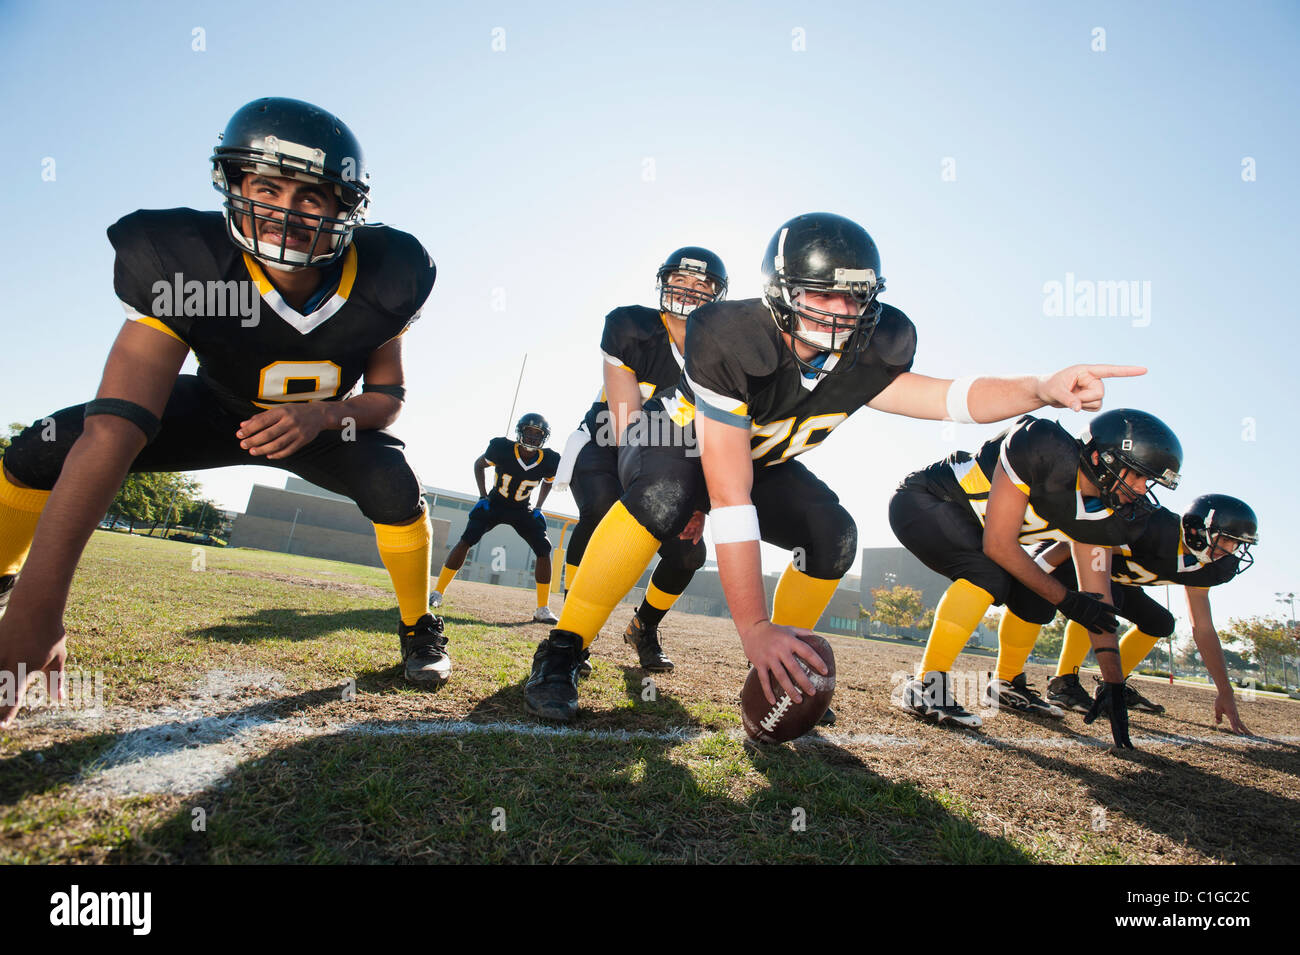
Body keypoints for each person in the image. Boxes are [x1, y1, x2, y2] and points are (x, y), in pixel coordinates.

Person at [523, 211, 1145, 726]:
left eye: (854, 295)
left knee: (833, 535)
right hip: (679, 438)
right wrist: (753, 626)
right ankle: (564, 648)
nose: (839, 312)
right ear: (780, 292)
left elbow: (952, 398)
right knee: (665, 493)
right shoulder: (731, 335)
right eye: (821, 293)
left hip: (762, 459)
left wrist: (1041, 386)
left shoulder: (872, 347)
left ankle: (780, 667)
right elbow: (730, 491)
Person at [0, 97, 445, 728]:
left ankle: (418, 624)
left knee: (395, 487)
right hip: (217, 407)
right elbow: (118, 419)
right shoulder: (183, 259)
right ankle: (6, 585)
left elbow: (387, 400)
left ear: (345, 208)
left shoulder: (390, 272)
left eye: (311, 197)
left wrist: (321, 417)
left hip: (319, 427)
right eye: (267, 186)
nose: (285, 212)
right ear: (234, 184)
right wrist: (40, 607)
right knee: (43, 447)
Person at [889, 408, 1183, 746]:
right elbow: (998, 546)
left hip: (976, 531)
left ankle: (1006, 682)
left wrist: (1113, 685)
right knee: (991, 575)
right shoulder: (1042, 448)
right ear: (1104, 458)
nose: (1143, 489)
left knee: (1037, 596)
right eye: (1138, 475)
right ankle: (926, 684)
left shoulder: (1103, 515)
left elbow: (1098, 606)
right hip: (925, 499)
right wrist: (1066, 599)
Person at [554, 247, 726, 672]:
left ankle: (643, 627)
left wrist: (698, 505)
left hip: (668, 456)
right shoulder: (631, 326)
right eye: (681, 281)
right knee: (598, 510)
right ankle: (573, 635)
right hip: (608, 438)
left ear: (718, 296)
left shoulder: (723, 353)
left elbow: (712, 435)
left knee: (688, 551)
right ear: (662, 282)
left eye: (701, 286)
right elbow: (627, 423)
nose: (688, 291)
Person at [1012, 495, 1258, 734]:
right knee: (1104, 601)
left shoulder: (1205, 567)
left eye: (1237, 544)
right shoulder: (1151, 530)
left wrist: (1225, 690)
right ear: (1196, 530)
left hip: (1112, 579)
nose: (1231, 550)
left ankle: (1110, 687)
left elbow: (1202, 628)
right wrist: (1029, 574)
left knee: (1160, 622)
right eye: (1225, 540)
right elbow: (1075, 542)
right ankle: (1061, 683)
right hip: (1065, 553)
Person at [430, 414, 561, 623]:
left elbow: (548, 481)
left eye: (538, 434)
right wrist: (482, 496)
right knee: (466, 539)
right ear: (520, 431)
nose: (533, 437)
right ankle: (437, 592)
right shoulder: (502, 447)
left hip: (522, 509)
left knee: (544, 549)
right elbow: (479, 464)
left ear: (544, 437)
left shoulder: (551, 459)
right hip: (495, 503)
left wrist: (539, 507)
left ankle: (542, 609)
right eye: (529, 431)